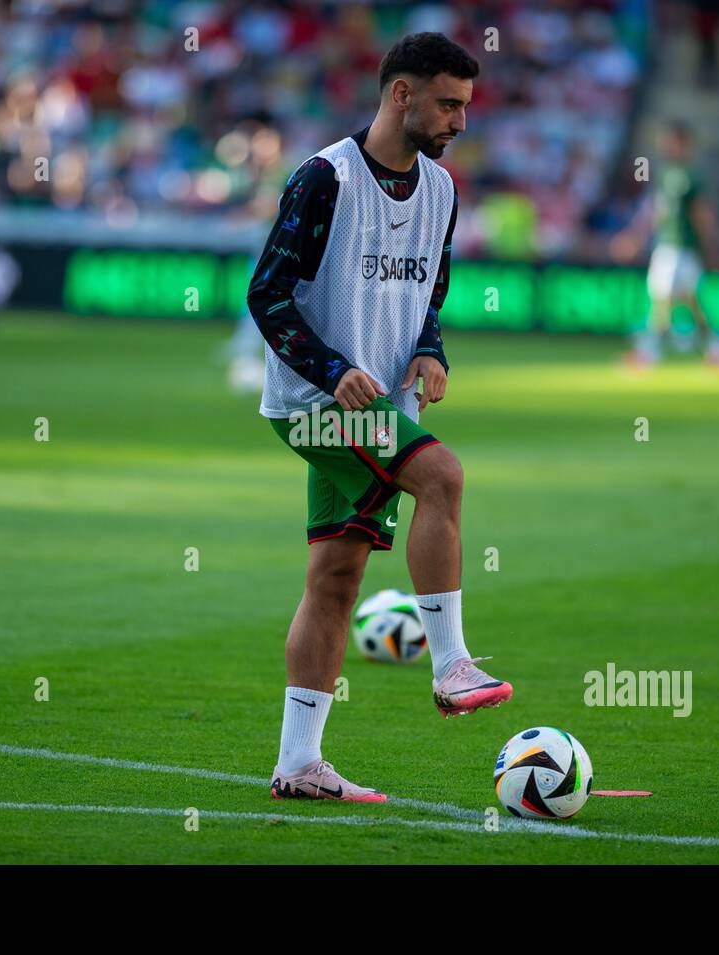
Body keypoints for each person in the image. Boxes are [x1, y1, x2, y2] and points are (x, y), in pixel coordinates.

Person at [246, 33, 512, 803]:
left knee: (336, 576)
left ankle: (298, 762)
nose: (461, 119)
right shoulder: (324, 179)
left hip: (378, 405)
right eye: (448, 103)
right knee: (442, 474)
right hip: (314, 405)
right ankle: (452, 664)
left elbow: (429, 290)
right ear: (402, 94)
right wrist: (333, 371)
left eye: (466, 104)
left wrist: (431, 350)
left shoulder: (442, 190)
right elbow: (266, 294)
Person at [611, 121, 719, 367]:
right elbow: (656, 212)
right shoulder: (665, 174)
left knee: (663, 299)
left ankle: (648, 353)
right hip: (666, 246)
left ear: (685, 144)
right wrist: (636, 238)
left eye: (674, 142)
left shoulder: (691, 176)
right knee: (685, 302)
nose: (668, 146)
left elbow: (702, 215)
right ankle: (718, 347)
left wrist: (713, 248)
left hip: (683, 248)